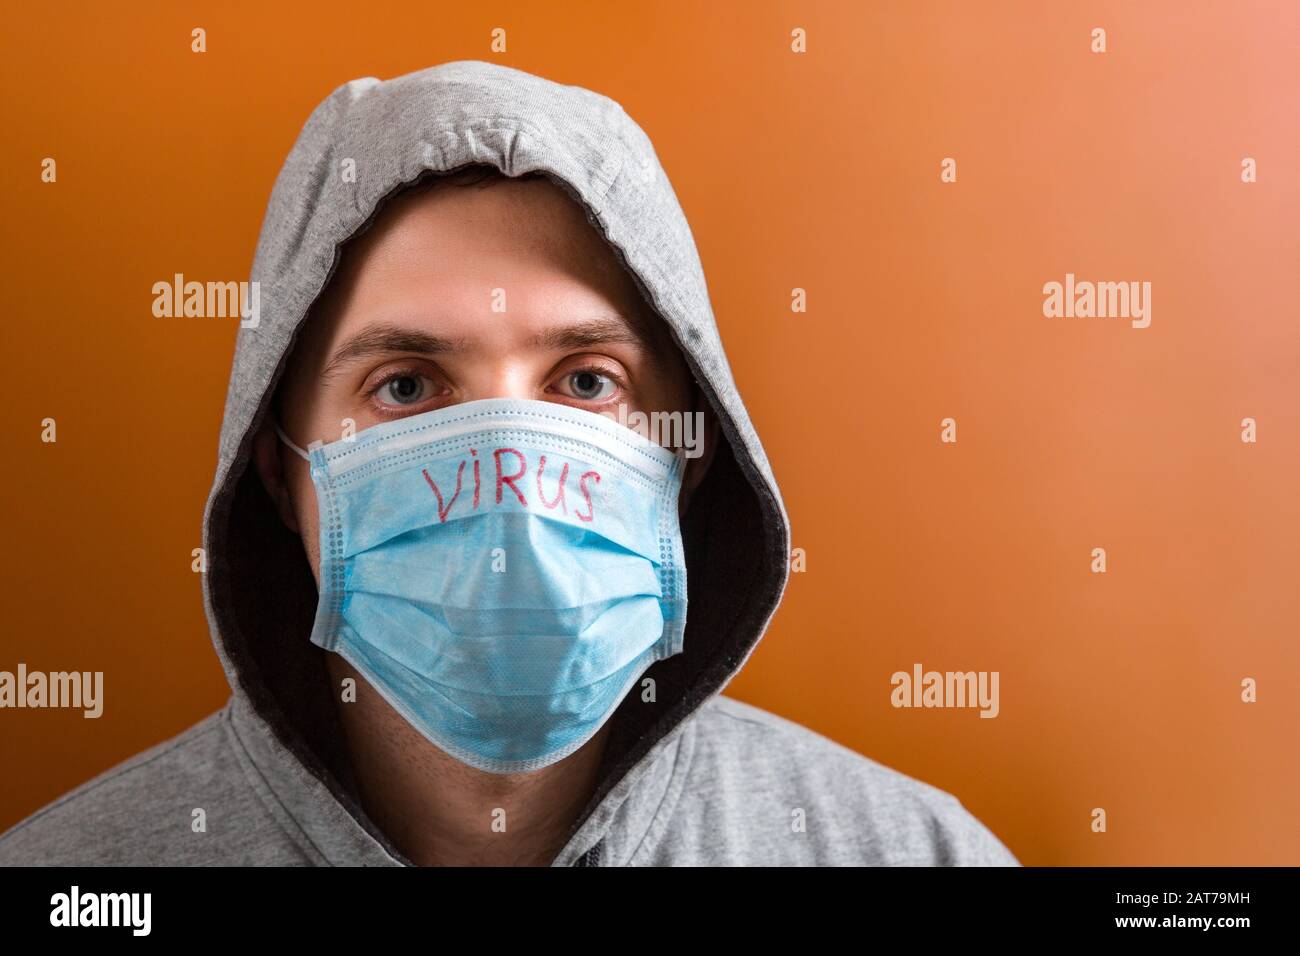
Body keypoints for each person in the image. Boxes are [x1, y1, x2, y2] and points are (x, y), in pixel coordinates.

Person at [0, 60, 1018, 866]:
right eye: (405, 384)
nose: (511, 474)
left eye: (585, 381)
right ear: (279, 467)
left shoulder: (909, 852)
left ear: (690, 449)